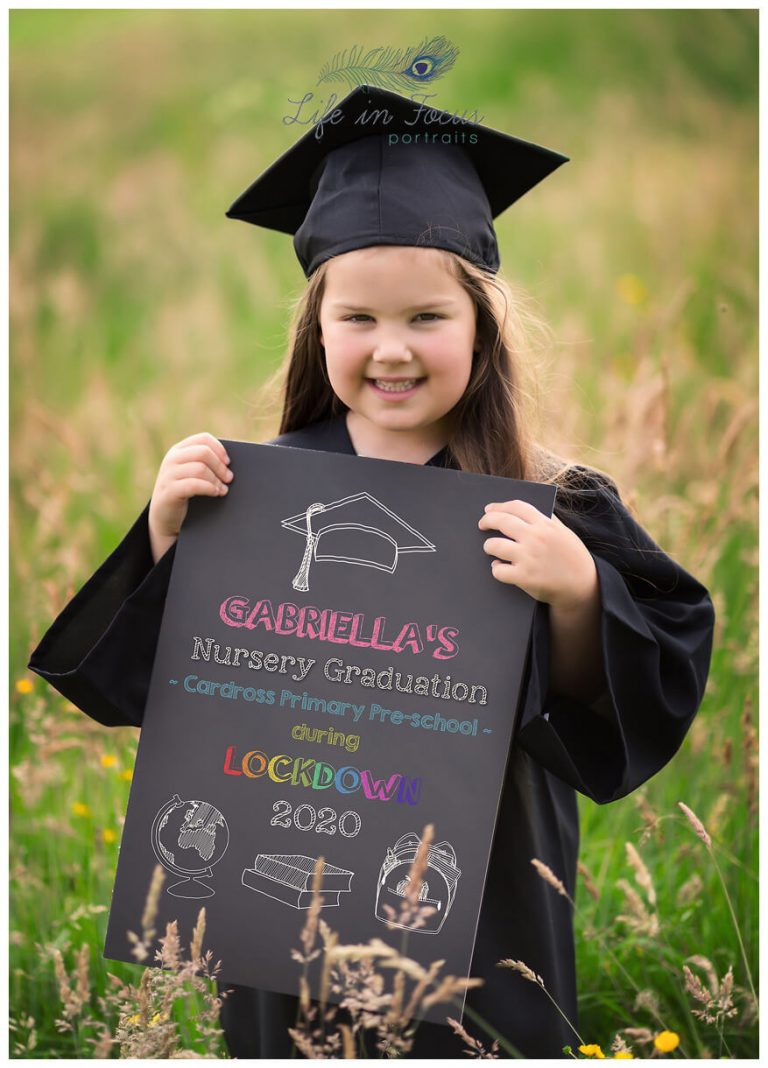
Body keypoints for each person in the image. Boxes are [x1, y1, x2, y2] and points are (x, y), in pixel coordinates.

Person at [29, 85, 715, 1059]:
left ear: (482, 325)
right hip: (286, 900)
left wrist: (579, 591)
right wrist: (167, 532)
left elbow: (618, 699)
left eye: (427, 316)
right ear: (319, 327)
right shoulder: (257, 495)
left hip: (484, 907)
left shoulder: (548, 498)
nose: (391, 349)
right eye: (358, 318)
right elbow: (168, 687)